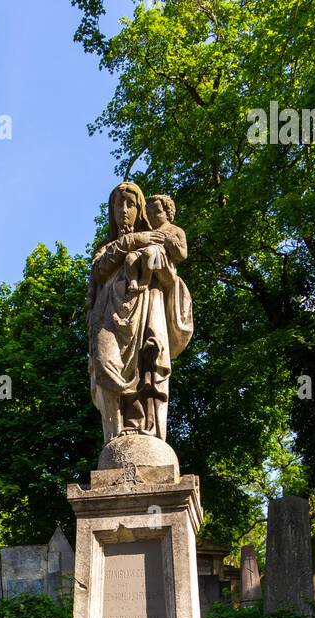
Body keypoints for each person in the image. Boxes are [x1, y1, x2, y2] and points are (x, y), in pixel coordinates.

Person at [87, 183, 193, 442]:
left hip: (147, 312)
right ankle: (112, 439)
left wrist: (153, 258)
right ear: (111, 210)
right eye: (118, 204)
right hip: (108, 317)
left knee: (149, 366)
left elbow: (170, 279)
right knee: (103, 363)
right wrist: (133, 241)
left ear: (140, 209)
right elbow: (100, 269)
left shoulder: (157, 238)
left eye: (131, 204)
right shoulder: (105, 247)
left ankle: (151, 435)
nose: (124, 210)